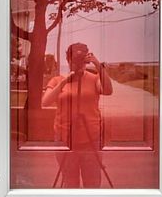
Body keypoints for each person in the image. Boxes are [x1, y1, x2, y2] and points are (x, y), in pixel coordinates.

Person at [41, 42, 113, 187]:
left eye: (82, 61)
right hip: (65, 139)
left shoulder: (93, 79)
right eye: (74, 60)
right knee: (70, 182)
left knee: (92, 182)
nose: (79, 65)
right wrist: (64, 83)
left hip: (91, 139)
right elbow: (45, 102)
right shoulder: (57, 80)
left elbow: (108, 90)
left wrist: (97, 65)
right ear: (68, 61)